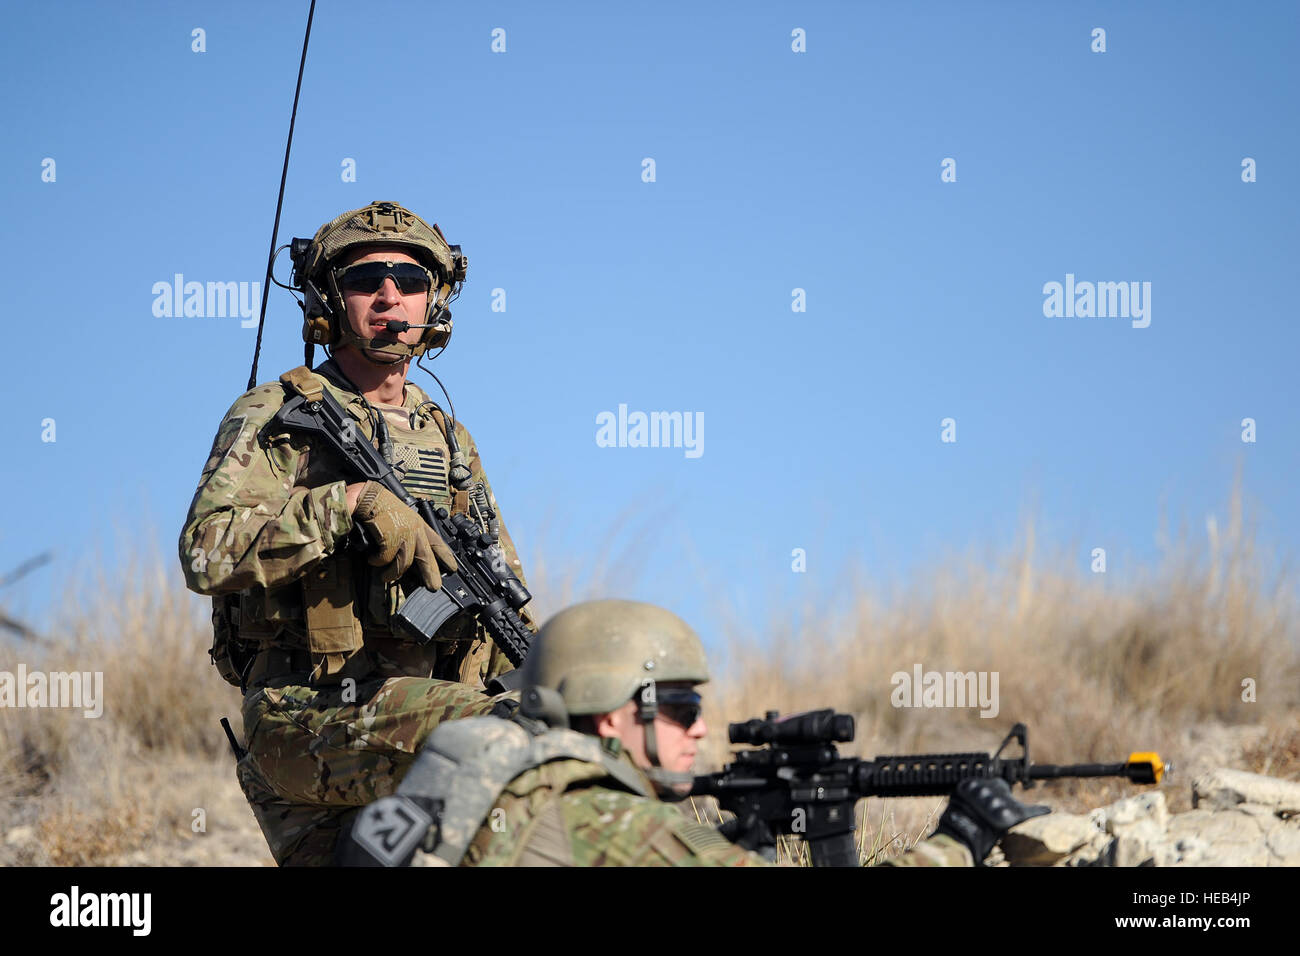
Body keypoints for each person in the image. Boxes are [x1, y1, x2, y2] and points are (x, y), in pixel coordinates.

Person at [179, 200, 533, 865]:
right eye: (366, 279)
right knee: (502, 744)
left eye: (410, 279)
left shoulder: (448, 438)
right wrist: (351, 503)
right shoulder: (283, 413)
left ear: (437, 299)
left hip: (425, 711)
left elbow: (503, 595)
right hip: (308, 712)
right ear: (327, 298)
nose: (390, 296)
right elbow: (206, 552)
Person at [340, 600, 1045, 867]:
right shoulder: (609, 816)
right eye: (677, 706)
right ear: (611, 711)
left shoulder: (497, 786)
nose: (701, 726)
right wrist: (957, 843)